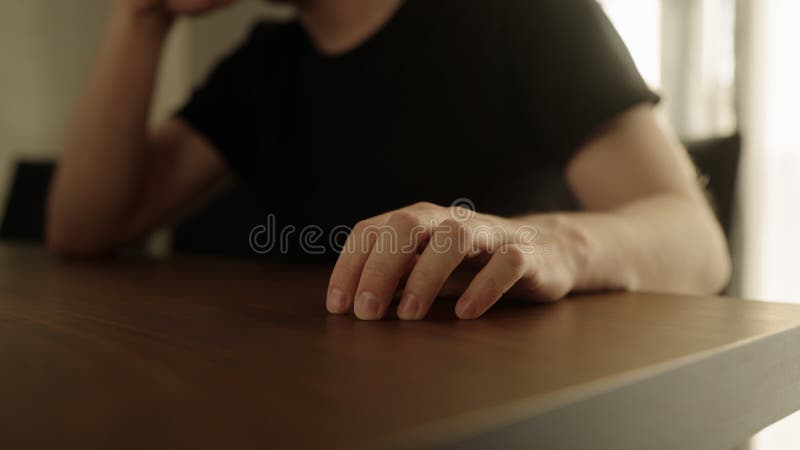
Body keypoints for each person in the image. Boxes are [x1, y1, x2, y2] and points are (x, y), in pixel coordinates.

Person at [46, 0, 731, 321]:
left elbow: (698, 246)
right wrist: (141, 15)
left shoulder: (521, 16)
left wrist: (548, 242)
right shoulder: (263, 67)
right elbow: (85, 226)